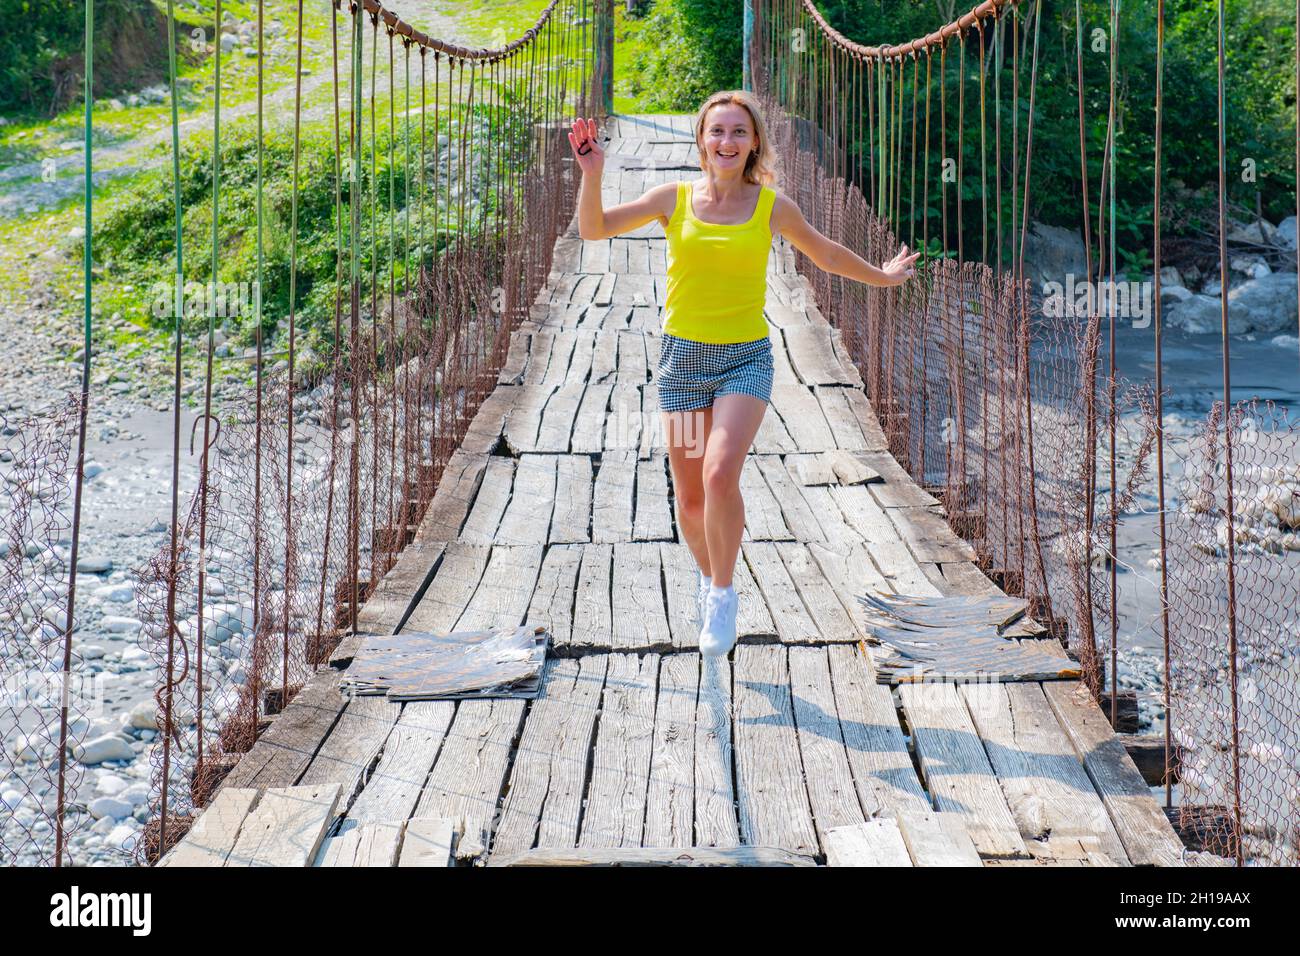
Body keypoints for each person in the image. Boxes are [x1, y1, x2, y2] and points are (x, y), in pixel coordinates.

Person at [567, 90, 919, 658]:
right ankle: (711, 581)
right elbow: (593, 229)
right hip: (682, 364)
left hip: (744, 361)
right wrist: (592, 173)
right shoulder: (672, 199)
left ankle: (724, 595)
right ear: (701, 140)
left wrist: (883, 275)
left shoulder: (769, 206)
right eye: (717, 131)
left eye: (737, 132)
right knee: (688, 500)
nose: (726, 142)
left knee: (719, 472)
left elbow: (826, 255)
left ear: (754, 141)